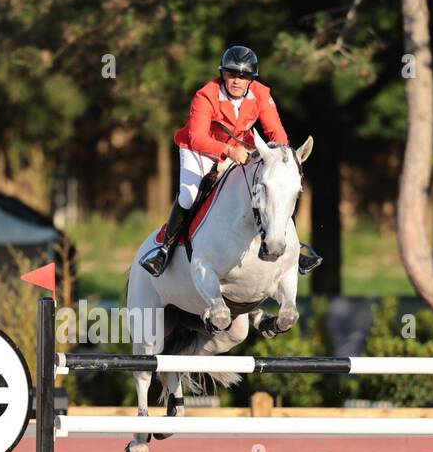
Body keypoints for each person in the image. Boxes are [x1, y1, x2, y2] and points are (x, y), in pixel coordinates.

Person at [138, 44, 322, 277]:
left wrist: (280, 161)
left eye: (243, 76)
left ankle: (294, 252)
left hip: (240, 150)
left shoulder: (262, 95)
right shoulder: (205, 95)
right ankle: (164, 249)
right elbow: (198, 138)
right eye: (231, 74)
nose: (236, 80)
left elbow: (278, 134)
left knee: (275, 188)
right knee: (189, 195)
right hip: (200, 151)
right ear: (222, 73)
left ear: (251, 80)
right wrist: (228, 150)